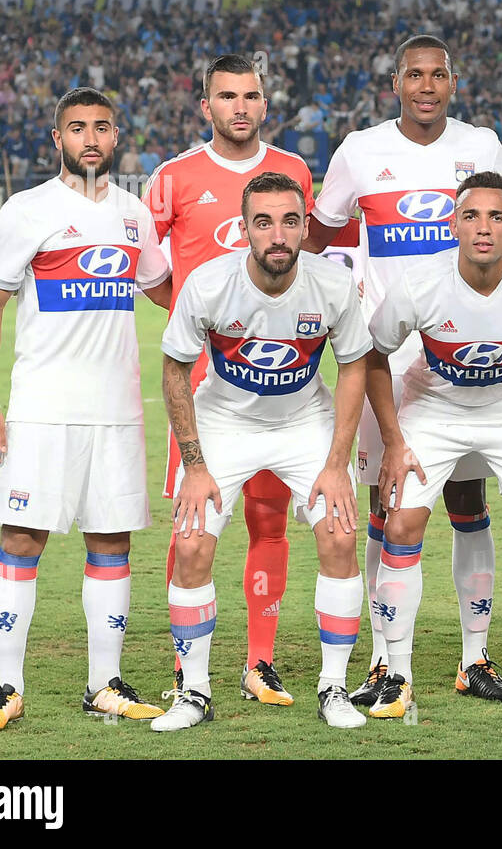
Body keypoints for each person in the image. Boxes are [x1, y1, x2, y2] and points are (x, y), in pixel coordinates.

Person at [304, 35, 502, 706]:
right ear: (395, 82)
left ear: (453, 82)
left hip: (468, 359)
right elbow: (315, 237)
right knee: (387, 506)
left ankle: (474, 658)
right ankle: (380, 659)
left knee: (467, 503)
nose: (426, 86)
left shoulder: (482, 146)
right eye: (414, 75)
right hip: (386, 362)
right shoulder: (360, 151)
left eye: (438, 75)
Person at [0, 87, 173, 731]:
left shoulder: (136, 217)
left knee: (110, 540)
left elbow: (167, 291)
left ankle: (104, 683)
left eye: (102, 127)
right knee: (22, 539)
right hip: (41, 409)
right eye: (77, 128)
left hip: (116, 411)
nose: (91, 137)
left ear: (117, 138)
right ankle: (7, 686)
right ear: (56, 138)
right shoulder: (28, 210)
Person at [151, 172, 371, 731]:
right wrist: (195, 467)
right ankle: (193, 692)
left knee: (341, 535)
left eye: (290, 221)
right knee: (192, 545)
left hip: (305, 419)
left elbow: (353, 368)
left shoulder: (333, 285)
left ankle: (334, 688)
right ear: (243, 228)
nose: (278, 234)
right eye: (264, 222)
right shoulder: (207, 284)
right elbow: (175, 371)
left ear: (304, 227)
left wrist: (336, 464)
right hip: (223, 420)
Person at [365, 171, 502, 717]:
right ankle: (396, 674)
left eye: (496, 217)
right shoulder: (419, 282)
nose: (484, 228)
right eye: (472, 216)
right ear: (453, 224)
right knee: (403, 522)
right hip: (434, 406)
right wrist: (392, 439)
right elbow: (372, 354)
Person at [145, 53, 318, 707]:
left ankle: (260, 663)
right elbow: (143, 259)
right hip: (203, 386)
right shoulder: (173, 177)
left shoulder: (294, 171)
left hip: (281, 385)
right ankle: (186, 666)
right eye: (227, 96)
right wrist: (188, 310)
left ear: (264, 103)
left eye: (250, 95)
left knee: (268, 518)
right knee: (195, 523)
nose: (239, 107)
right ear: (206, 106)